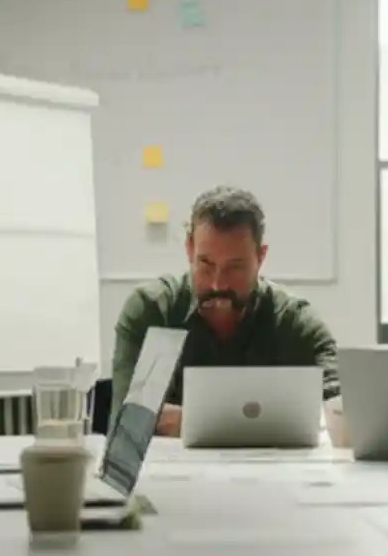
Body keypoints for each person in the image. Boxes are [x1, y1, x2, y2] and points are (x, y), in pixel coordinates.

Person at [110, 186, 339, 437]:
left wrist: (184, 421)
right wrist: (262, 424)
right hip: (168, 474)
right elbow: (128, 426)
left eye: (235, 267)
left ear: (260, 258)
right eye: (206, 264)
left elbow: (341, 410)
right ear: (189, 249)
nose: (218, 284)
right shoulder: (154, 312)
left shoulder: (293, 323)